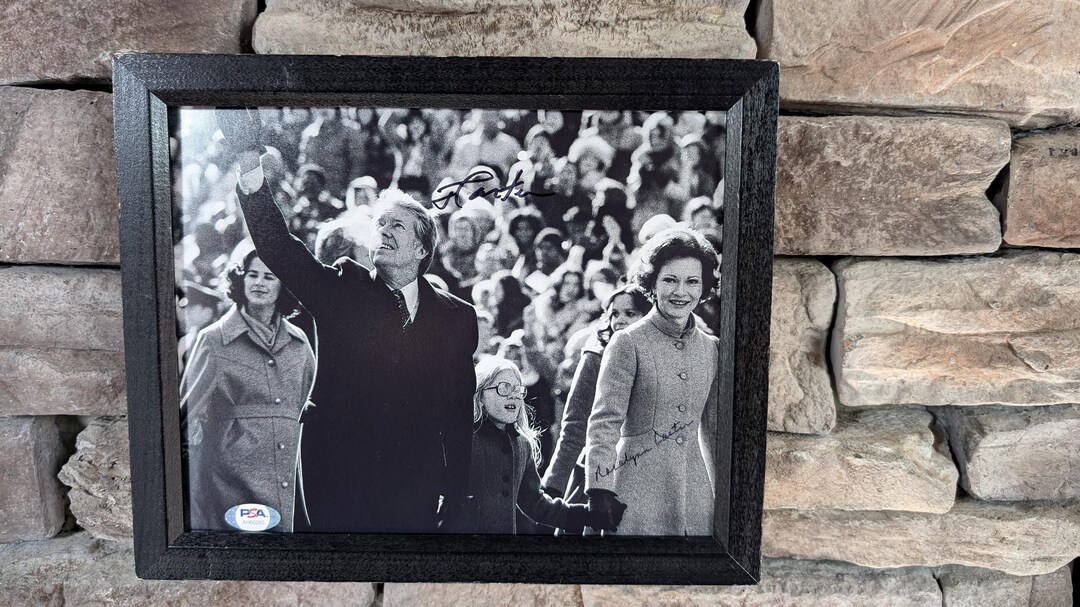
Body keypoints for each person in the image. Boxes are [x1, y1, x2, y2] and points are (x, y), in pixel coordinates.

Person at [219, 110, 479, 533]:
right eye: (380, 224)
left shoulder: (456, 317)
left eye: (397, 226)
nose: (384, 232)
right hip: (336, 468)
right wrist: (250, 167)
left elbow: (457, 408)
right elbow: (279, 247)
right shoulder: (342, 287)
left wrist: (456, 488)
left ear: (421, 249)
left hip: (412, 477)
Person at [584, 228, 720, 536]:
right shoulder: (627, 342)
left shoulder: (712, 349)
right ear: (652, 283)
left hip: (695, 498)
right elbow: (604, 424)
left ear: (704, 286)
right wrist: (599, 490)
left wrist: (721, 500)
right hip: (634, 495)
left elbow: (712, 434)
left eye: (692, 281)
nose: (680, 292)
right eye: (670, 280)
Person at [181, 248, 316, 532]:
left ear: (283, 286)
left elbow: (308, 406)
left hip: (289, 477)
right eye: (252, 275)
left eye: (269, 277)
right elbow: (185, 418)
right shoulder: (214, 340)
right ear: (240, 280)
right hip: (229, 483)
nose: (259, 283)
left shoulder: (300, 343)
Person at [454, 357, 617, 534]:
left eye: (517, 389)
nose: (513, 395)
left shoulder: (521, 444)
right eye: (503, 388)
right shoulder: (462, 439)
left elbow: (535, 504)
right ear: (479, 396)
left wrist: (589, 516)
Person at [541, 284, 652, 508]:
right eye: (614, 314)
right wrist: (553, 486)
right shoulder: (595, 356)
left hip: (649, 476)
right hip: (598, 475)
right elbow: (574, 426)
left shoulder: (662, 358)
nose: (619, 320)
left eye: (630, 313)